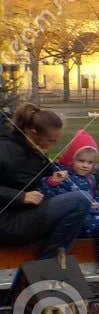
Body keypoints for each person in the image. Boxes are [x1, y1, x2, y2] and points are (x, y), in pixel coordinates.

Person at [0, 104, 91, 258]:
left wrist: (52, 172)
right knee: (79, 200)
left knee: (76, 201)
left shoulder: (30, 149)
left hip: (21, 214)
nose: (53, 145)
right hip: (7, 222)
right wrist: (21, 196)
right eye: (50, 140)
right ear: (32, 132)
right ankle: (47, 263)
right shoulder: (6, 150)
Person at [43, 131, 99, 273]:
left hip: (90, 218)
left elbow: (95, 196)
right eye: (81, 161)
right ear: (71, 160)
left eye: (90, 162)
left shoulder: (90, 178)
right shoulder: (62, 175)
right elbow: (50, 195)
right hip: (73, 221)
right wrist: (52, 182)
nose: (85, 165)